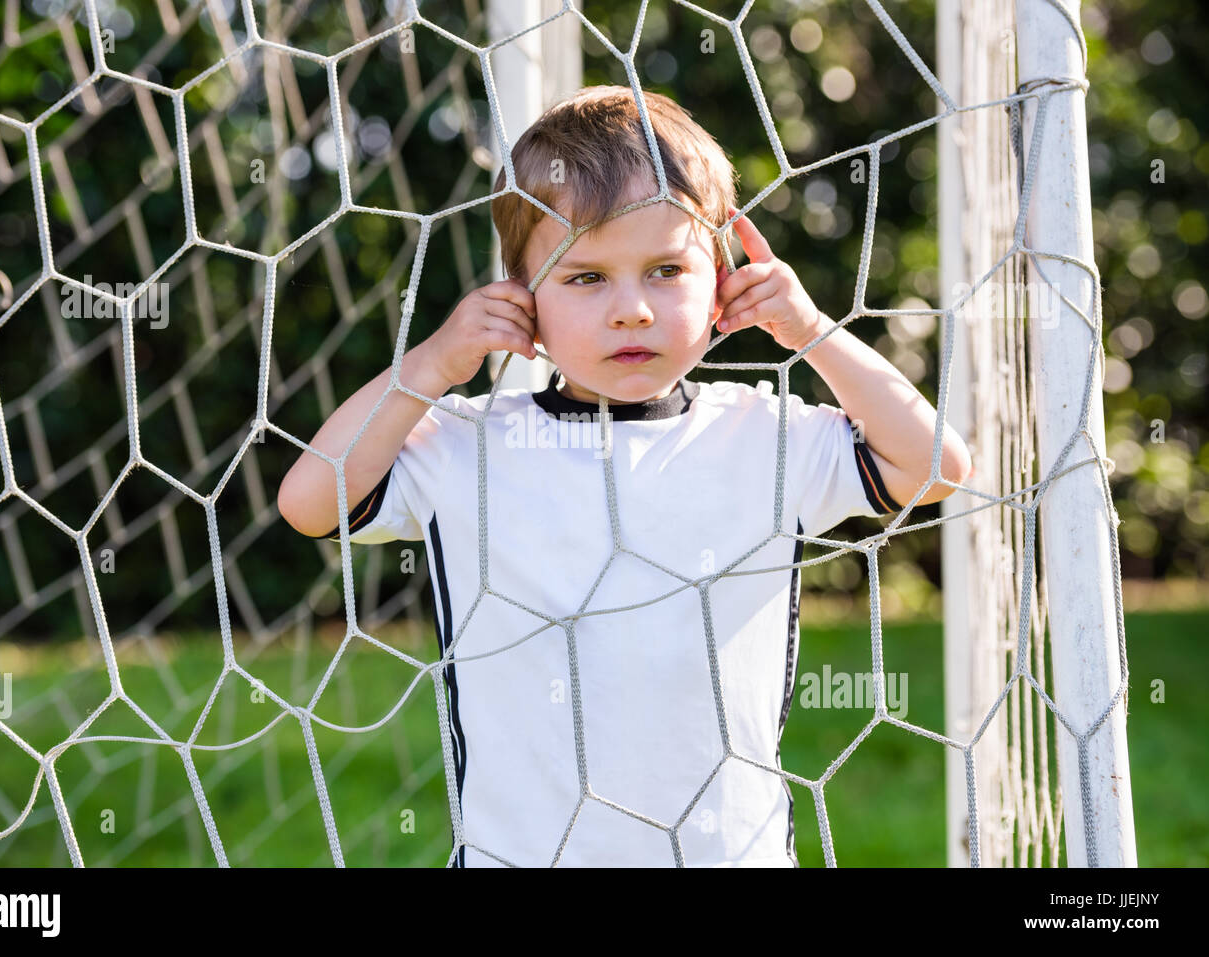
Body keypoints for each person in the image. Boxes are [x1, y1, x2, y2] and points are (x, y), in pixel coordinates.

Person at [277, 85, 972, 867]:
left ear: (723, 281)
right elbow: (311, 501)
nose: (632, 309)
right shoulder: (468, 445)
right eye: (585, 278)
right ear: (520, 296)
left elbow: (936, 464)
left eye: (667, 269)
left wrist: (811, 333)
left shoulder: (762, 435)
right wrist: (434, 363)